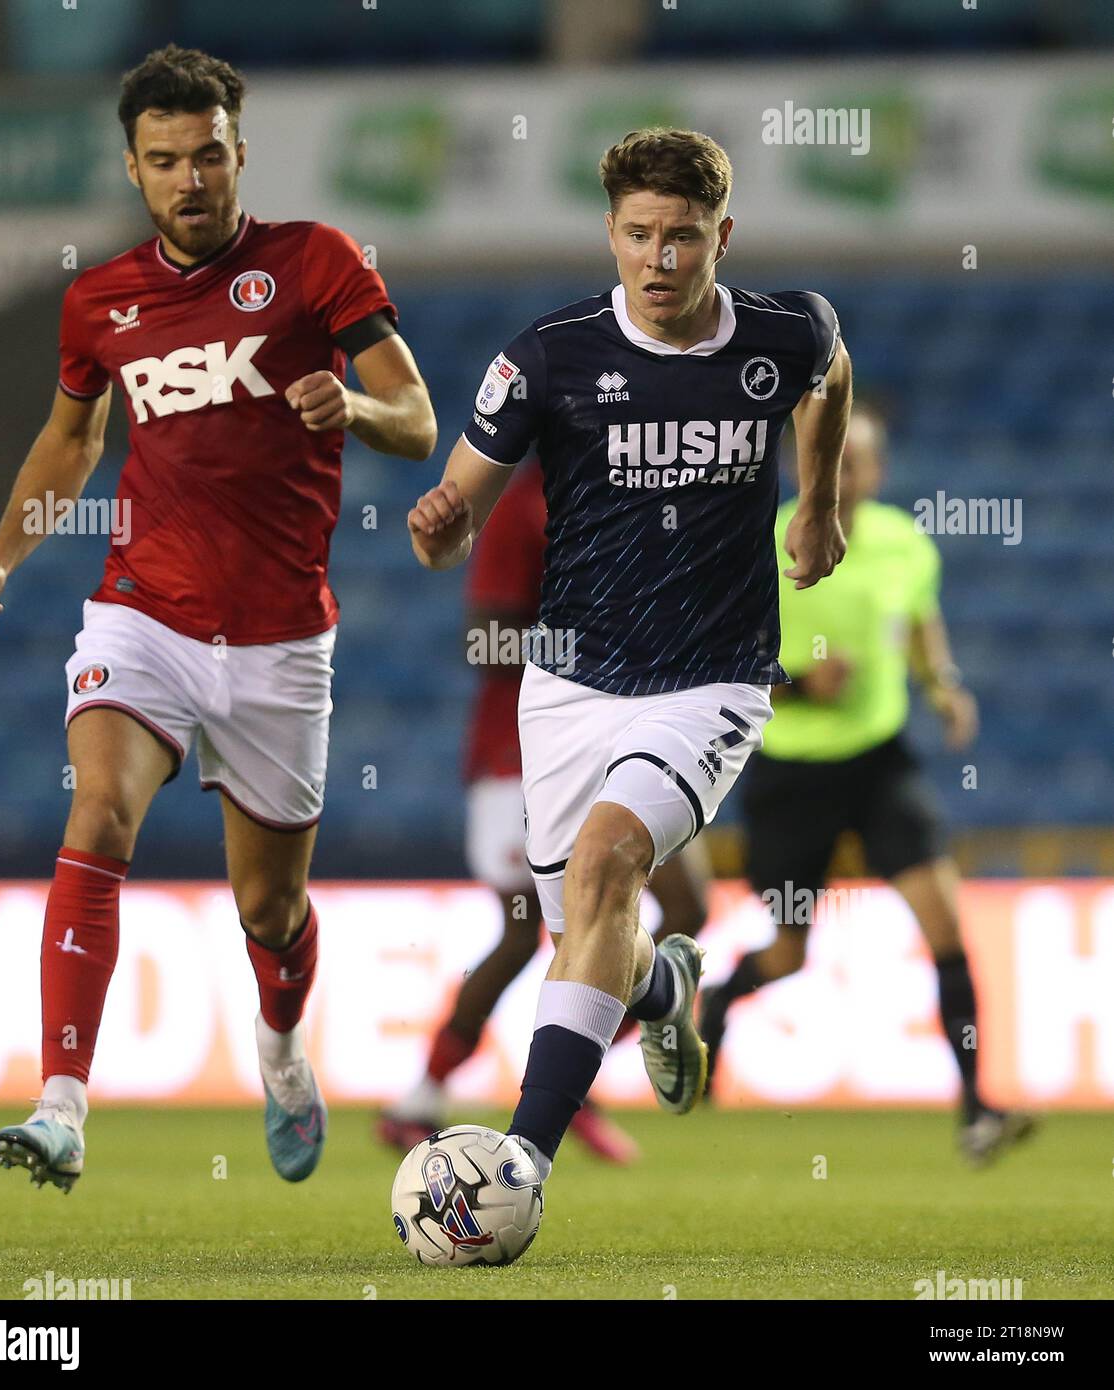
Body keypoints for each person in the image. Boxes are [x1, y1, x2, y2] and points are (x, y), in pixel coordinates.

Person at [0, 46, 436, 1192]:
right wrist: (1, 558)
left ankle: (279, 1049)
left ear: (239, 153)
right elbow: (72, 444)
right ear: (133, 169)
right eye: (164, 160)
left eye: (207, 154)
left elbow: (418, 420)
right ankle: (62, 1103)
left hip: (277, 641)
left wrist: (352, 405)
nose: (189, 178)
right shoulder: (99, 299)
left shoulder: (314, 261)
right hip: (142, 616)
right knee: (100, 811)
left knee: (269, 909)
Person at [407, 126, 850, 1212]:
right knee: (588, 945)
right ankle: (665, 983)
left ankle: (516, 1167)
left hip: (712, 676)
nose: (659, 260)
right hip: (566, 686)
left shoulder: (785, 333)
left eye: (684, 238)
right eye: (639, 235)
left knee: (610, 863)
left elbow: (830, 377)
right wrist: (439, 524)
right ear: (609, 232)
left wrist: (820, 498)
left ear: (722, 236)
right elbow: (460, 492)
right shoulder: (549, 355)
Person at [697, 405, 1035, 1164]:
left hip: (879, 762)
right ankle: (720, 1000)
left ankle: (979, 1108)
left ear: (877, 471)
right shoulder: (761, 540)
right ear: (802, 464)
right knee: (788, 956)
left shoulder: (905, 547)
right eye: (829, 459)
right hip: (789, 769)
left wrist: (944, 684)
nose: (842, 475)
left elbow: (919, 622)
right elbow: (721, 661)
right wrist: (802, 683)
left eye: (855, 462)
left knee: (945, 924)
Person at [380, 459, 711, 1162]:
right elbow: (484, 639)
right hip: (523, 755)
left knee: (686, 908)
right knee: (532, 931)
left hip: (637, 730)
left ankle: (569, 1082)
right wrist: (600, 646)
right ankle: (423, 1094)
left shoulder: (641, 487)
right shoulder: (524, 503)